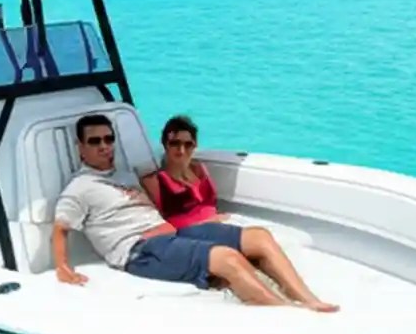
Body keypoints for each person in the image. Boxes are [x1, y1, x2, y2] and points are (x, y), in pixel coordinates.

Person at [51, 114, 337, 312]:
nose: (104, 146)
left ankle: (308, 299)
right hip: (139, 251)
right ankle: (288, 314)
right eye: (94, 142)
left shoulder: (124, 174)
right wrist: (64, 268)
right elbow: (60, 228)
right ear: (80, 148)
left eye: (108, 139)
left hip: (174, 235)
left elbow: (166, 194)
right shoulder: (80, 187)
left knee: (259, 238)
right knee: (227, 258)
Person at [138, 115, 338, 312]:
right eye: (175, 144)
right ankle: (290, 306)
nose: (181, 150)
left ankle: (306, 298)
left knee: (262, 241)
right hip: (190, 231)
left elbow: (210, 202)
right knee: (260, 237)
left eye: (188, 144)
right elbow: (148, 213)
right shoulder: (155, 180)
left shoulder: (199, 170)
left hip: (214, 226)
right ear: (165, 144)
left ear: (195, 145)